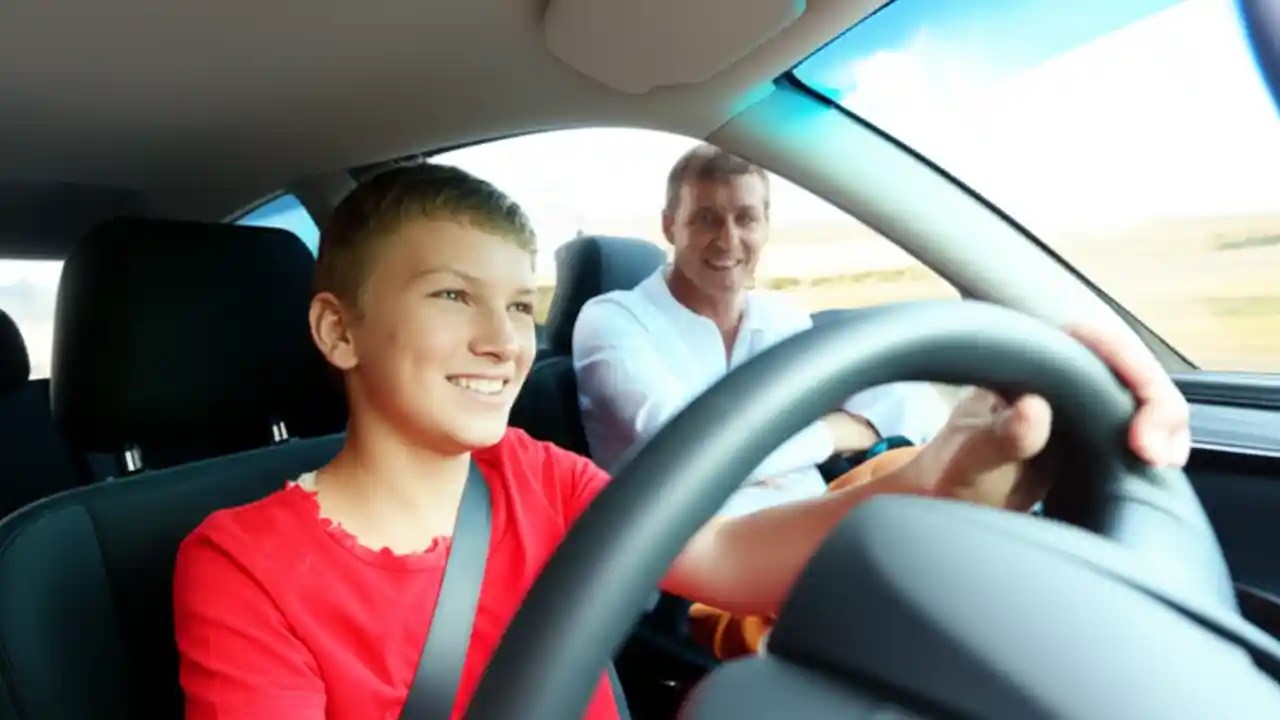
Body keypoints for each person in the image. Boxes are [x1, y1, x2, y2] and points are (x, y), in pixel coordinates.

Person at [172, 162, 1190, 720]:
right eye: (451, 296)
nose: (503, 340)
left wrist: (936, 472)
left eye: (521, 306)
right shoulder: (240, 564)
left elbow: (738, 558)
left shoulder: (536, 476)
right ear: (338, 330)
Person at [573, 144, 953, 519]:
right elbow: (690, 453)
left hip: (813, 530)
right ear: (669, 225)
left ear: (765, 225)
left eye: (746, 218)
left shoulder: (779, 317)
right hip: (682, 556)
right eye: (707, 218)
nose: (727, 240)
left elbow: (902, 404)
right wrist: (836, 434)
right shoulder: (613, 320)